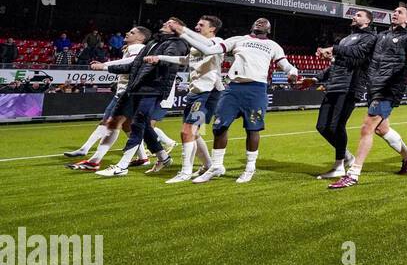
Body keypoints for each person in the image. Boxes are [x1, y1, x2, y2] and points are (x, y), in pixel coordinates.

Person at [176, 16, 300, 183]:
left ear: (269, 30)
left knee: (252, 129)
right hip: (233, 89)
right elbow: (209, 50)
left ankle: (250, 168)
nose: (260, 22)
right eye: (257, 21)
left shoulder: (273, 46)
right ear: (252, 25)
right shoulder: (238, 40)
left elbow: (285, 65)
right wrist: (183, 34)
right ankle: (216, 166)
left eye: (264, 22)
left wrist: (293, 72)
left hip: (256, 90)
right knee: (219, 126)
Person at [329, 3, 407, 189]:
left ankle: (353, 174)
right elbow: (361, 52)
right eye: (394, 11)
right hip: (374, 87)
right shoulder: (380, 36)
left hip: (389, 89)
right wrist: (334, 52)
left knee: (367, 127)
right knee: (382, 129)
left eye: (400, 12)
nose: (395, 13)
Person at [90, 20, 190, 177]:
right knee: (144, 127)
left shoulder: (178, 43)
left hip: (152, 89)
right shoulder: (153, 43)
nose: (165, 23)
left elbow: (170, 59)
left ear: (176, 29)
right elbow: (133, 65)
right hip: (136, 88)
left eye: (170, 23)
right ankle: (163, 158)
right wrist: (106, 67)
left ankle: (122, 166)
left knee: (137, 124)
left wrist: (159, 58)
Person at [143, 15, 226, 182]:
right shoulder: (197, 47)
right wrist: (161, 58)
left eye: (201, 24)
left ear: (212, 29)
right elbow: (186, 60)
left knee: (186, 131)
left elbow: (207, 47)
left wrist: (182, 32)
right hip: (196, 92)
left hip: (207, 93)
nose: (197, 26)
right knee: (194, 133)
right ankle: (209, 166)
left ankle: (185, 171)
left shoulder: (216, 41)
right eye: (196, 23)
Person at [66, 26, 148, 170]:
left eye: (132, 32)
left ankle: (93, 160)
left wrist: (104, 65)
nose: (128, 33)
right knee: (126, 126)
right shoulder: (133, 48)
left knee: (111, 123)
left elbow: (131, 63)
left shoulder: (137, 47)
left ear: (140, 38)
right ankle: (144, 157)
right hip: (127, 91)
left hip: (126, 92)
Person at [313, 9, 376, 180]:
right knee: (322, 127)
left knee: (336, 126)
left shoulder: (370, 38)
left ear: (367, 21)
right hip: (334, 86)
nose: (354, 17)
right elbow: (336, 64)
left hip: (350, 87)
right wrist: (315, 78)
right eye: (354, 15)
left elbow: (358, 54)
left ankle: (339, 165)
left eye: (358, 15)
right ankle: (347, 157)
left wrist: (333, 49)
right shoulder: (346, 39)